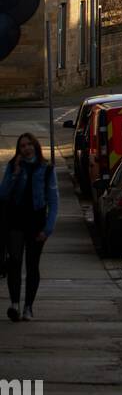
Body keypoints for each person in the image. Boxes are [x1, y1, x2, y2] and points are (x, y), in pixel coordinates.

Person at [0, 133, 59, 322]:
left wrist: (48, 229)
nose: (26, 148)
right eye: (22, 146)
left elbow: (53, 201)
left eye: (29, 144)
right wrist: (15, 174)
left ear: (35, 146)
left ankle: (28, 307)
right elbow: (3, 195)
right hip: (16, 221)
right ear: (18, 150)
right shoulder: (13, 167)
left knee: (32, 265)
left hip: (36, 222)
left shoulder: (47, 169)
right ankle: (14, 304)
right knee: (14, 262)